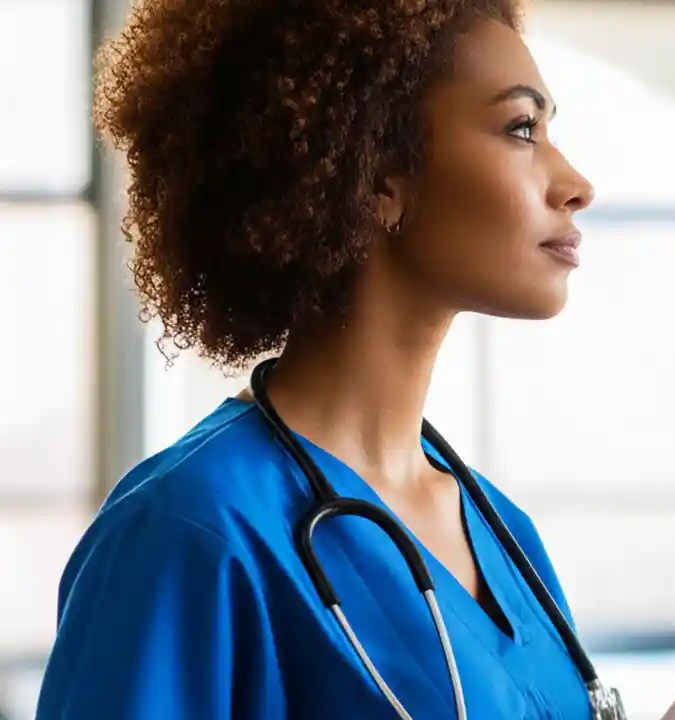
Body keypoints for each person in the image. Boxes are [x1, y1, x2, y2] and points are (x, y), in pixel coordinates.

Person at [36, 0, 597, 717]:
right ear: (379, 177)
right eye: (521, 129)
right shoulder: (189, 530)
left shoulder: (505, 535)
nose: (577, 184)